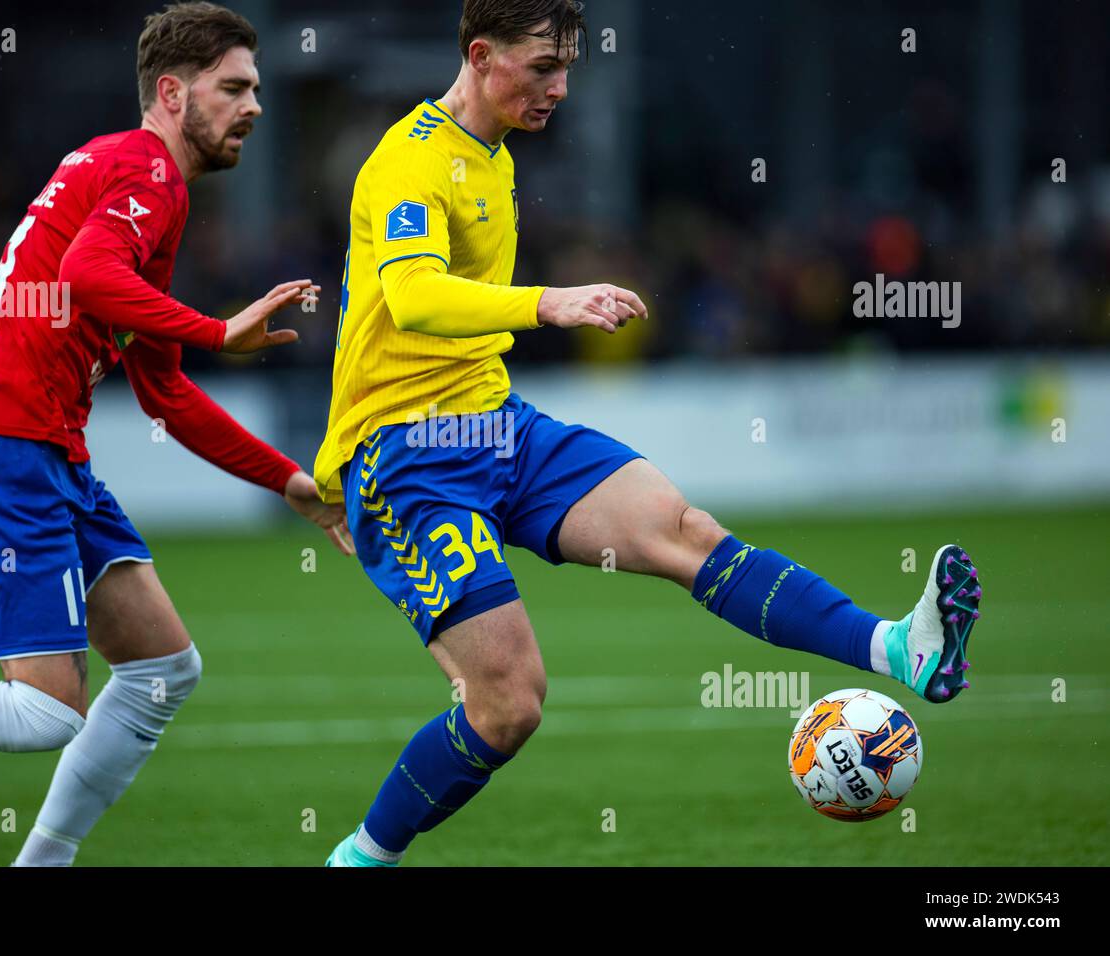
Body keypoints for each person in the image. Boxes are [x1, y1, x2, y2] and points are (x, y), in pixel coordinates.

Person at [314, 0, 981, 866]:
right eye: (543, 67)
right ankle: (359, 860)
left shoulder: (493, 154)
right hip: (405, 454)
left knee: (687, 533)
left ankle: (903, 650)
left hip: (500, 426)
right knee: (508, 704)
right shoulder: (408, 162)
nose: (562, 86)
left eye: (569, 67)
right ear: (481, 55)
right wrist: (549, 302)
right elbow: (413, 295)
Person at [0, 2, 352, 868]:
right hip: (5, 441)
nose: (255, 106)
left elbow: (165, 393)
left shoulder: (126, 173)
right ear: (172, 94)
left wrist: (287, 480)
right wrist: (218, 331)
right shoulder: (150, 173)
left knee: (163, 670)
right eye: (236, 87)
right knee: (45, 713)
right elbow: (84, 273)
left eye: (256, 88)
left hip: (36, 443)